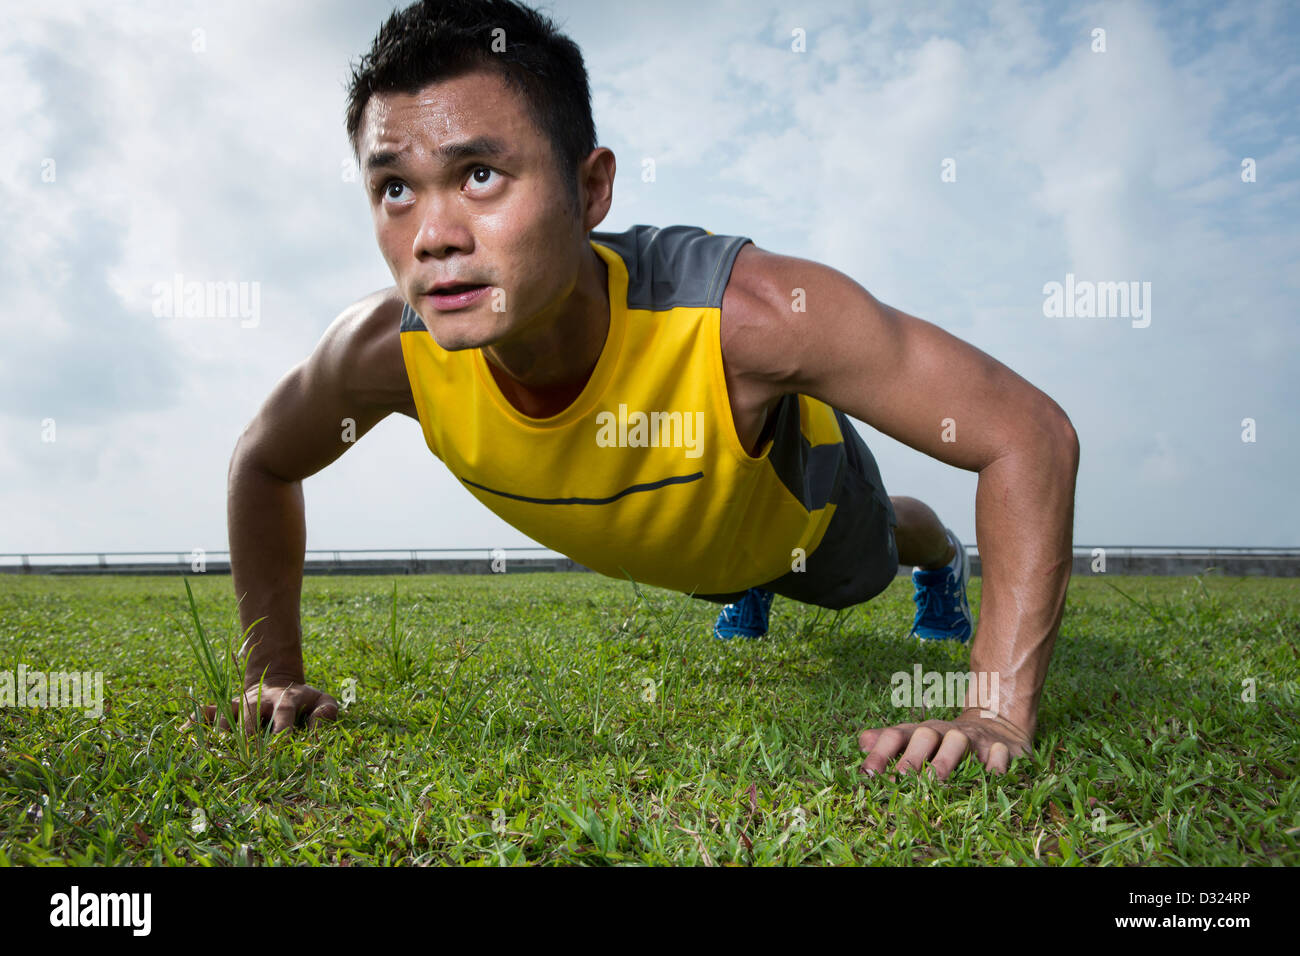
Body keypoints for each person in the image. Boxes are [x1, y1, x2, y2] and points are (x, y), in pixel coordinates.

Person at [196, 0, 1079, 780]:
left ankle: (936, 565)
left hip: (803, 513)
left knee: (880, 545)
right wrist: (271, 674)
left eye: (479, 176)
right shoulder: (383, 354)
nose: (433, 236)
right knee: (716, 560)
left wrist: (995, 711)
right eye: (394, 188)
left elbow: (1025, 433)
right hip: (685, 541)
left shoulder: (753, 316)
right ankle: (740, 579)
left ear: (590, 189)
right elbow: (262, 463)